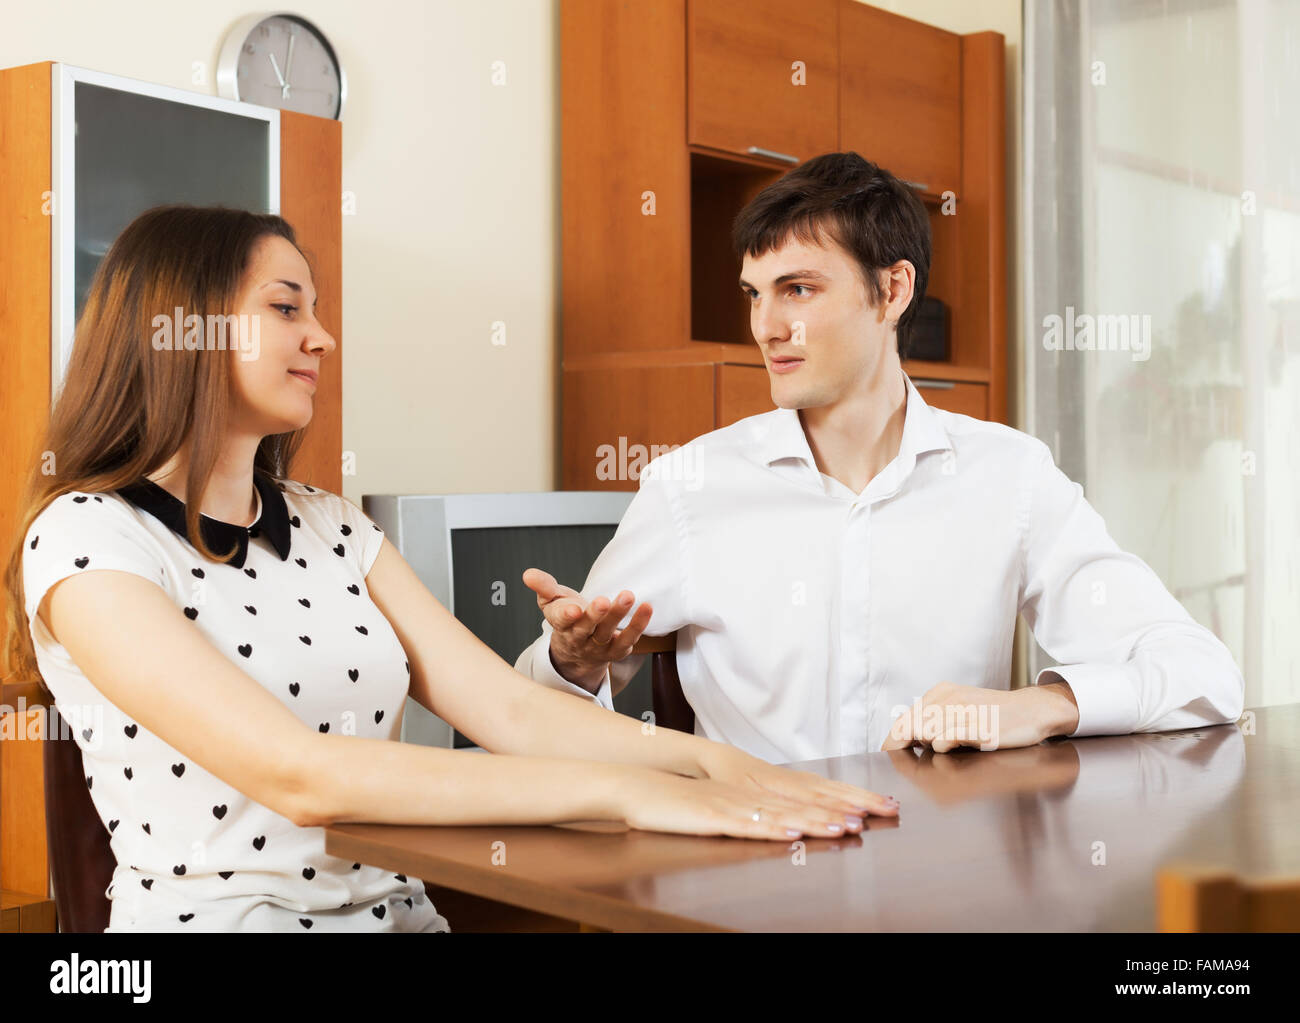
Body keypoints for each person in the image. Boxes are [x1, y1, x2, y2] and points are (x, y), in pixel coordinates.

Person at [1, 204, 898, 933]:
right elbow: (296, 772)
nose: (320, 337)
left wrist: (713, 766)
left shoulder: (329, 523)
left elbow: (504, 706)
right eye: (286, 308)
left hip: (400, 917)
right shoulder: (88, 540)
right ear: (180, 325)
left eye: (313, 310)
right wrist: (631, 795)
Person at [515, 152, 1245, 764]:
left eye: (797, 288)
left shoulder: (1010, 477)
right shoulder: (689, 485)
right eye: (755, 294)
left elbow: (1205, 676)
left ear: (892, 291)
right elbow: (530, 718)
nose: (766, 326)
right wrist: (573, 664)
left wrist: (1044, 706)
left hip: (944, 887)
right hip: (749, 894)